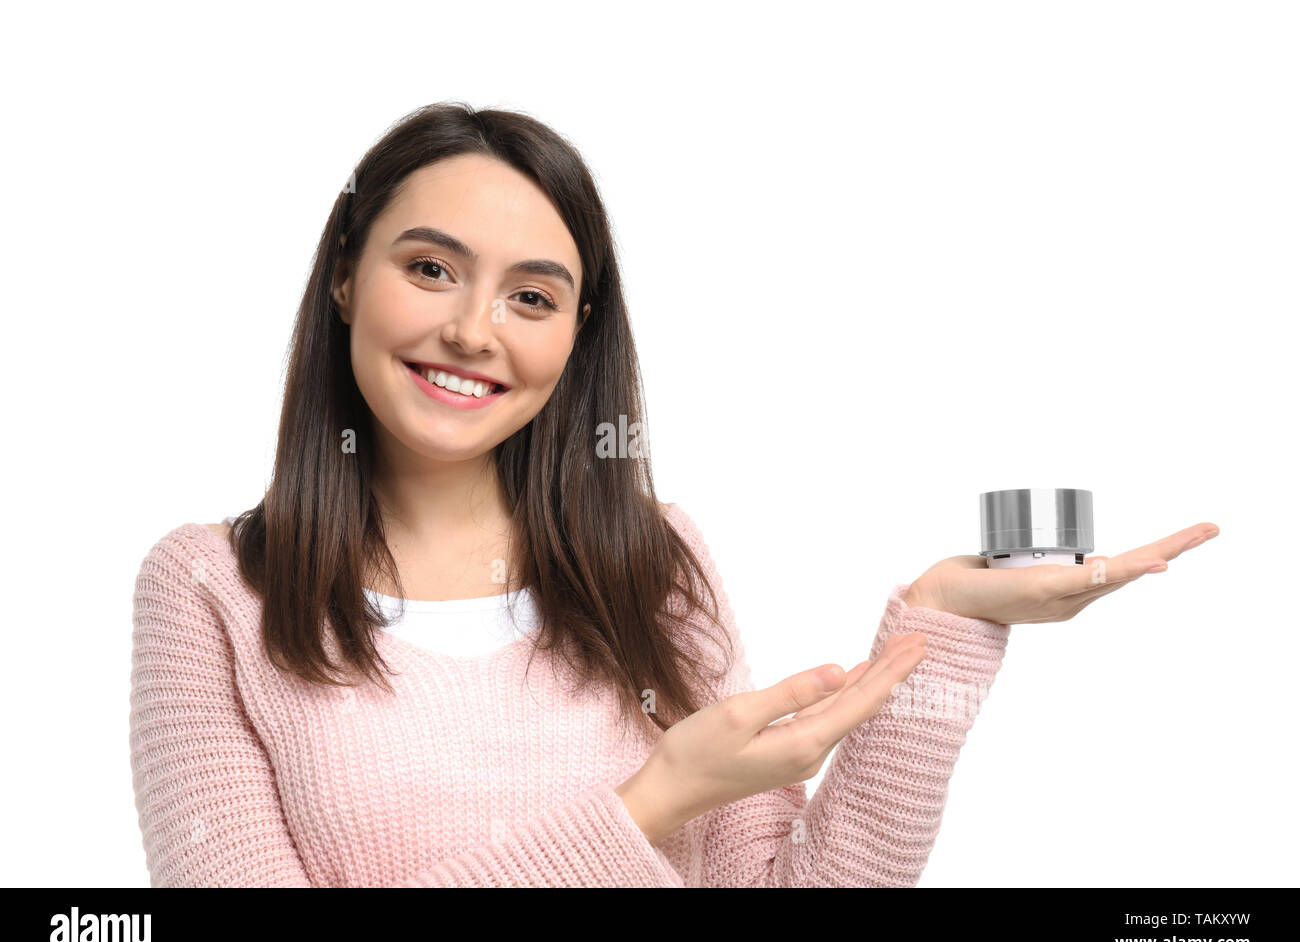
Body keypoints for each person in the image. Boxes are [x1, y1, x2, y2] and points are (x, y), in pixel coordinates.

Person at [128, 101, 1219, 887]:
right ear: (342, 275)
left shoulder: (654, 560)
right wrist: (649, 806)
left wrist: (946, 626)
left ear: (576, 333)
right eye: (428, 268)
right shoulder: (211, 586)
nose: (473, 330)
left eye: (532, 296)